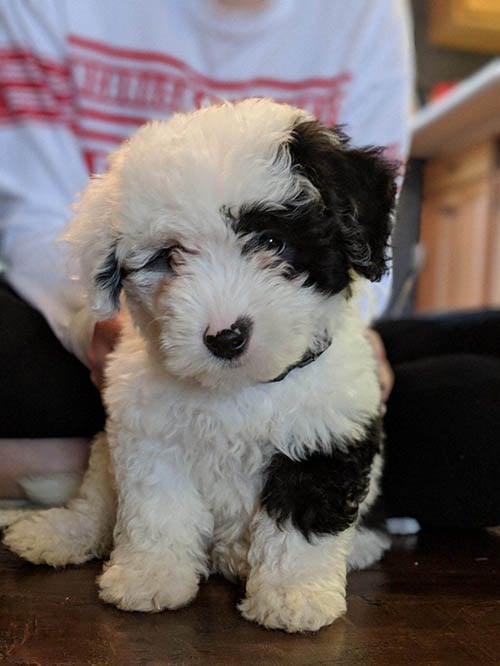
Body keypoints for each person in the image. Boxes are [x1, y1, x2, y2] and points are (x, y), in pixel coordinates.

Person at [0, 1, 498, 528]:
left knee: (478, 388)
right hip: (123, 327)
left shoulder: (368, 11)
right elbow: (37, 217)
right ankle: (154, 476)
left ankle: (89, 470)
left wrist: (347, 333)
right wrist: (92, 324)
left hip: (294, 328)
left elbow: (364, 217)